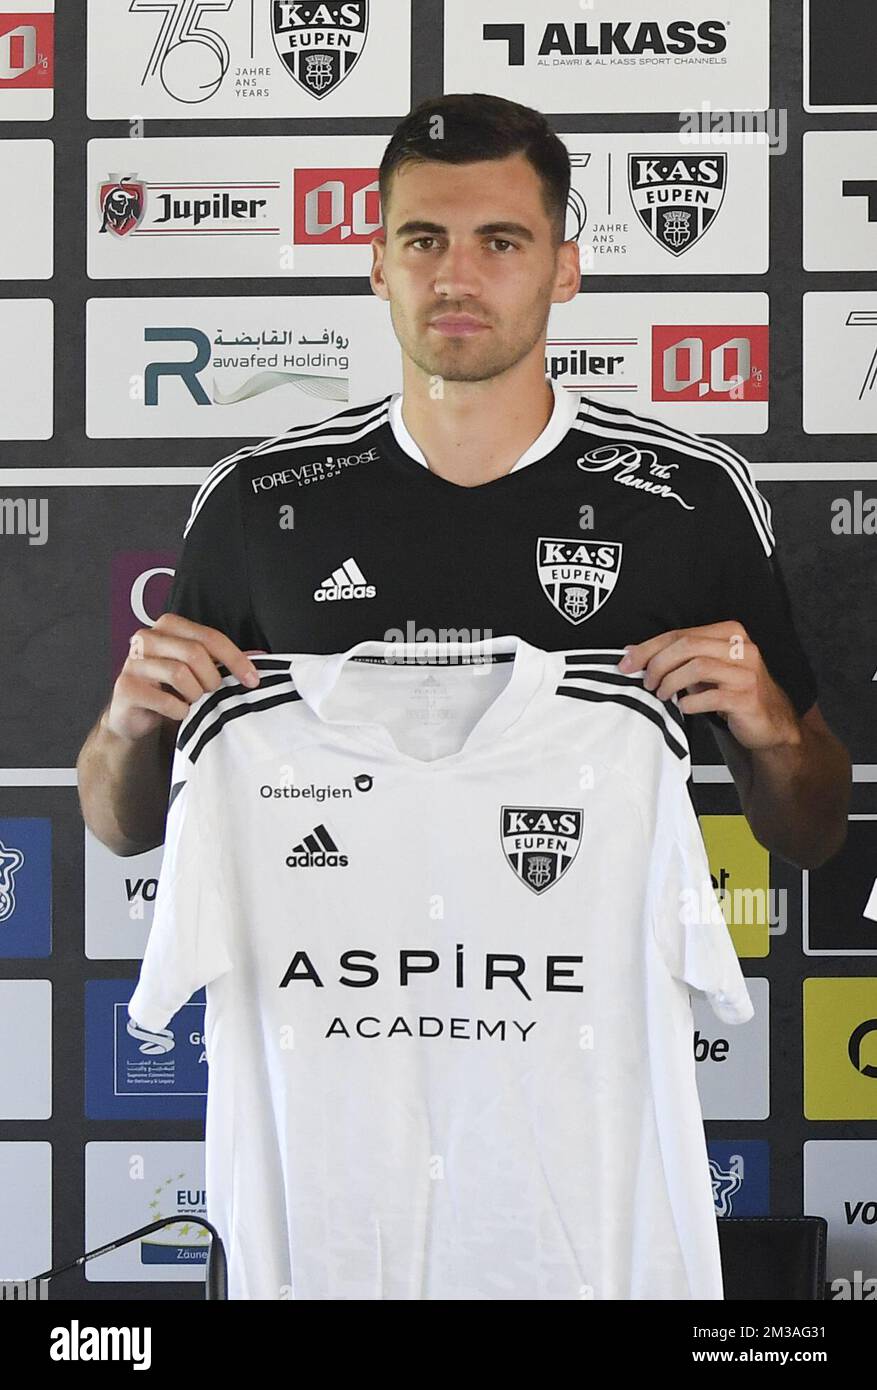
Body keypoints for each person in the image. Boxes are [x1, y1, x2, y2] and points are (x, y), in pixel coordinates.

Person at [77, 92, 850, 869]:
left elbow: (809, 836)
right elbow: (124, 829)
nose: (456, 278)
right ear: (379, 264)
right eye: (423, 241)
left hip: (590, 986)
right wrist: (124, 733)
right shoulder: (261, 497)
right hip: (327, 979)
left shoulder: (689, 494)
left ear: (564, 269)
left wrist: (776, 734)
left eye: (501, 243)